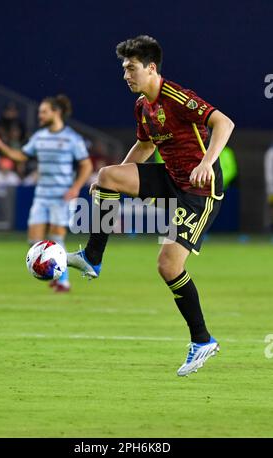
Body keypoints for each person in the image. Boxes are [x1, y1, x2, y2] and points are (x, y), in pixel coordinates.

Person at [67, 36, 235, 376]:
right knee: (106, 175)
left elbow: (224, 123)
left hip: (200, 189)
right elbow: (144, 148)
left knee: (168, 266)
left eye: (131, 68)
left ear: (151, 68)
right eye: (124, 69)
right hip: (172, 177)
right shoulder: (143, 106)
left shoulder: (176, 97)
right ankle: (92, 258)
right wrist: (113, 179)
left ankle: (202, 340)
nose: (126, 75)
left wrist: (207, 161)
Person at [0, 94, 93, 293]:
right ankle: (52, 271)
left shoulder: (72, 138)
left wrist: (76, 187)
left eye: (44, 112)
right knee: (33, 240)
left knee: (57, 237)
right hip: (41, 195)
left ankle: (63, 281)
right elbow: (21, 157)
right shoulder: (39, 137)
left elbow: (86, 165)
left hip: (61, 195)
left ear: (56, 112)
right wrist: (0, 146)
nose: (40, 116)